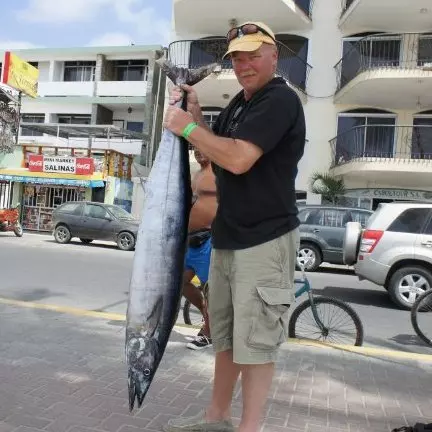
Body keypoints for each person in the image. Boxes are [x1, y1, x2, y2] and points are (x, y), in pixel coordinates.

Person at [163, 21, 305, 432]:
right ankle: (216, 419)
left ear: (273, 55)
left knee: (256, 344)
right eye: (237, 57)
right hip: (228, 238)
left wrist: (186, 128)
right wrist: (195, 118)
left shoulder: (280, 100)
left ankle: (249, 429)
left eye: (253, 55)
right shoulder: (238, 106)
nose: (244, 65)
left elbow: (240, 158)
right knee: (225, 336)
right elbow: (213, 156)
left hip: (265, 239)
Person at [183, 147, 217, 350]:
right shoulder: (197, 174)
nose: (198, 151)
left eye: (202, 147)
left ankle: (209, 333)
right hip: (190, 241)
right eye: (195, 148)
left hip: (209, 240)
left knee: (210, 288)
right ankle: (206, 314)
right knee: (180, 281)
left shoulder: (219, 173)